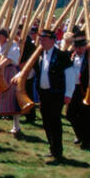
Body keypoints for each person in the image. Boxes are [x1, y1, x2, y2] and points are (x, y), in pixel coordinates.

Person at [27, 27, 76, 163]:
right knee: (46, 121)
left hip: (56, 93)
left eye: (44, 39)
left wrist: (68, 94)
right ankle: (52, 148)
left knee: (54, 121)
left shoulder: (62, 56)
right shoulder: (40, 55)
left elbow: (70, 75)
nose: (41, 41)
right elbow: (34, 71)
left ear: (52, 40)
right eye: (40, 39)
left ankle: (57, 151)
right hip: (43, 93)